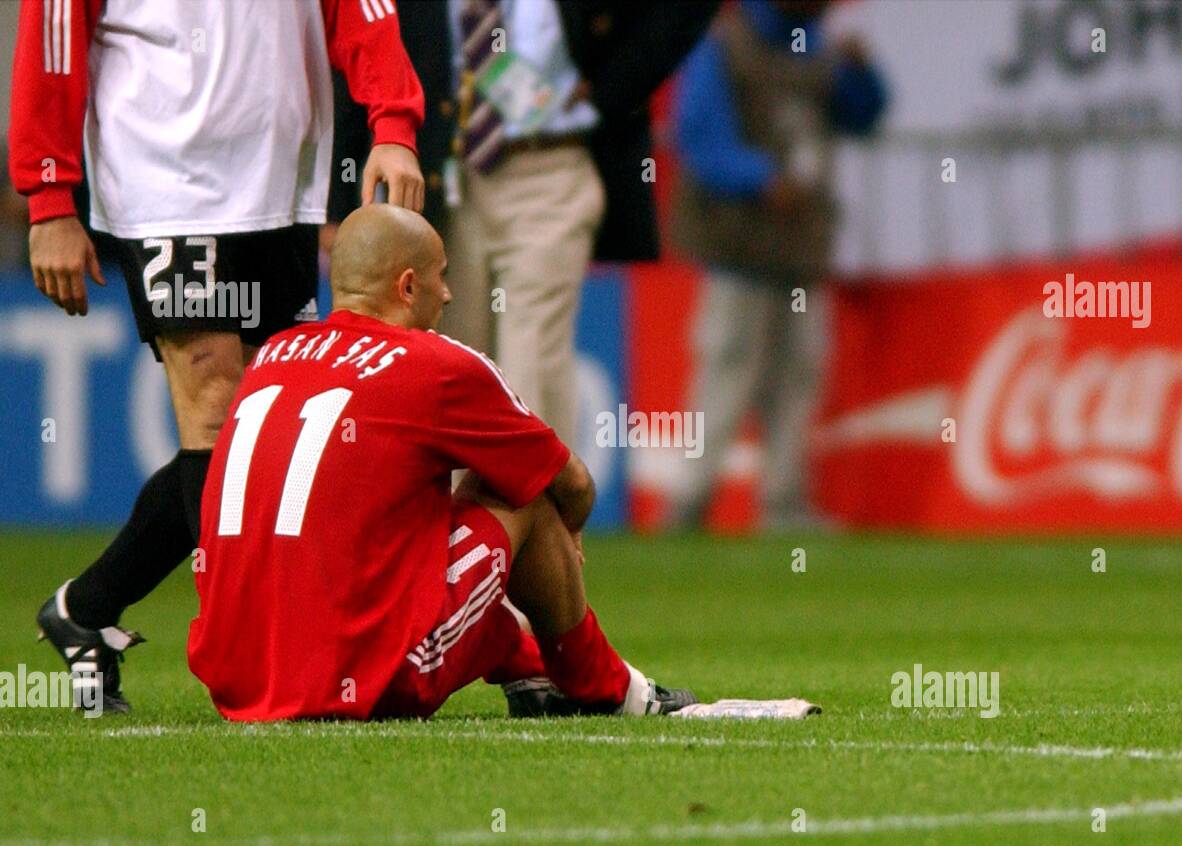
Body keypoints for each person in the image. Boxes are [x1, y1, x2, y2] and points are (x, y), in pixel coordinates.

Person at [13, 0, 427, 712]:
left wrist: (393, 121)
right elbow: (54, 23)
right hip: (166, 177)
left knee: (265, 429)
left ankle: (86, 608)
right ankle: (259, 653)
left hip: (281, 181)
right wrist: (48, 191)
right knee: (214, 409)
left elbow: (361, 7)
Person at [187, 204, 695, 721]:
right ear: (407, 287)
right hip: (362, 683)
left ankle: (529, 666)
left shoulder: (273, 354)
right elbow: (574, 483)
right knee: (526, 490)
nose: (449, 293)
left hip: (235, 678)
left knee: (413, 526)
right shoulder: (438, 365)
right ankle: (607, 688)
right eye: (441, 276)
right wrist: (568, 536)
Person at [328, 0, 720, 447]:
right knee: (452, 365)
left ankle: (535, 513)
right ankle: (460, 515)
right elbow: (360, 49)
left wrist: (611, 86)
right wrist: (336, 205)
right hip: (438, 176)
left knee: (530, 360)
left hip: (546, 166)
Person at [669, 0, 889, 528]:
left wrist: (862, 72)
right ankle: (689, 502)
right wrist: (761, 178)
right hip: (736, 245)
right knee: (727, 366)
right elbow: (698, 139)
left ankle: (785, 504)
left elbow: (864, 115)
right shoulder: (724, 44)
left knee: (799, 371)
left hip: (799, 247)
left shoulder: (819, 46)